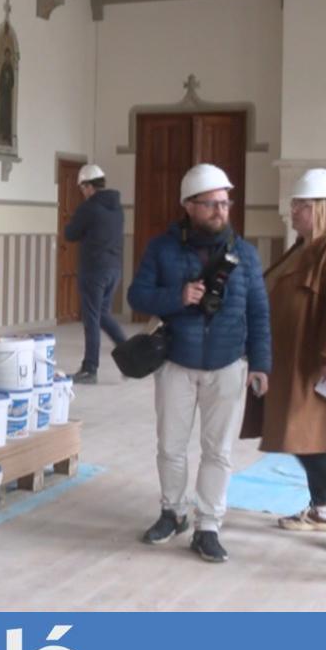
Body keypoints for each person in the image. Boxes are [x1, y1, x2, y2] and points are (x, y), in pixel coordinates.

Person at [126, 163, 270, 564]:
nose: (221, 211)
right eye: (211, 204)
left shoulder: (245, 254)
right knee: (170, 446)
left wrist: (260, 363)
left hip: (228, 365)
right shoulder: (161, 248)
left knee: (218, 451)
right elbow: (137, 296)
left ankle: (209, 524)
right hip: (176, 362)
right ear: (189, 206)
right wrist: (178, 296)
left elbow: (259, 311)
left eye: (225, 203)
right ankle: (173, 512)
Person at [244, 169, 326, 549]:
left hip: (318, 366)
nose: (293, 212)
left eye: (300, 205)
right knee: (312, 435)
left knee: (307, 439)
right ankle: (323, 510)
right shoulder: (305, 248)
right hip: (291, 363)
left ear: (320, 207)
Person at [63, 163, 126, 383]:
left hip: (93, 271)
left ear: (89, 186)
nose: (82, 192)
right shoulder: (117, 208)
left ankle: (90, 368)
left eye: (82, 187)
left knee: (91, 319)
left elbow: (70, 233)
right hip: (114, 269)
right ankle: (129, 356)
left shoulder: (89, 208)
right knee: (103, 314)